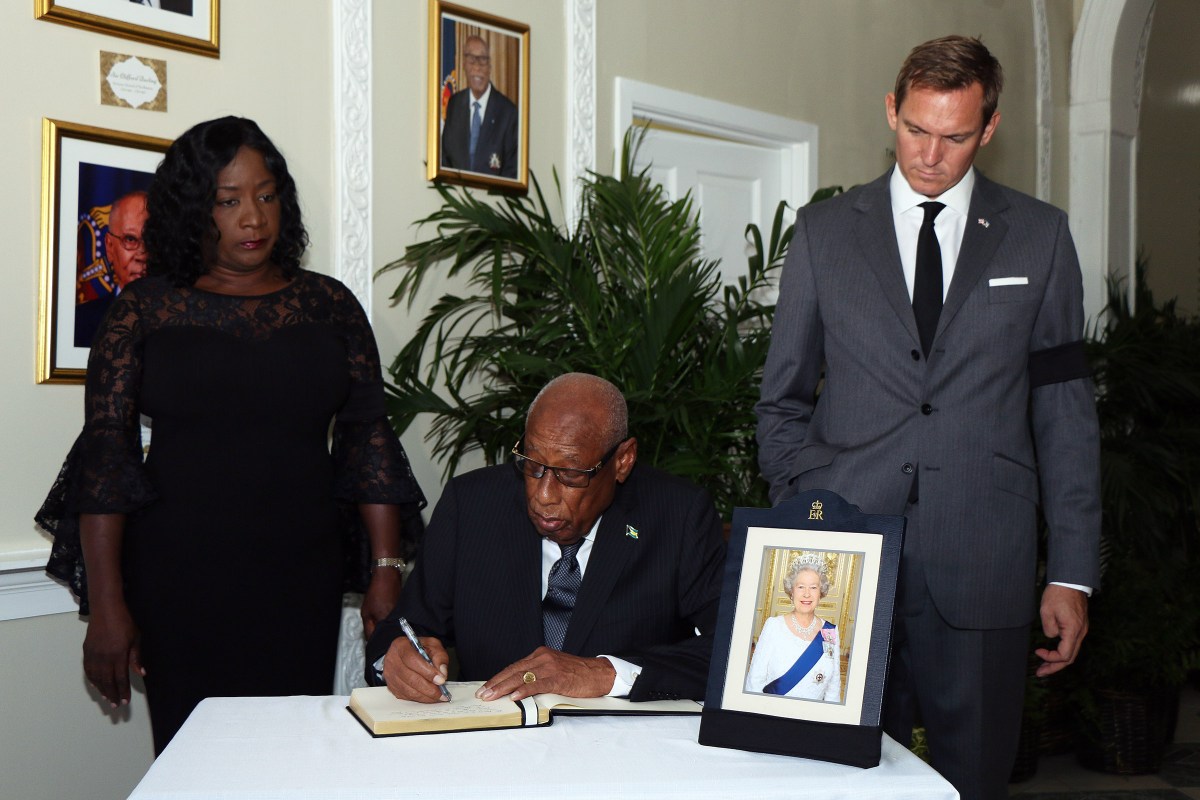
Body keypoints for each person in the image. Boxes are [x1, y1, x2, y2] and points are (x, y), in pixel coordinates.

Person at [754, 36, 1100, 800]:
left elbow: (1065, 411)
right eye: (916, 130)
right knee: (834, 779)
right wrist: (809, 505)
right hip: (844, 561)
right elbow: (780, 399)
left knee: (973, 777)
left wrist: (1071, 570)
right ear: (892, 110)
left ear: (989, 128)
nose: (930, 155)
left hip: (984, 559)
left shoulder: (1039, 236)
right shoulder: (824, 234)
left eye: (953, 136)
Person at [36, 116, 426, 754]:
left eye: (266, 195)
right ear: (194, 209)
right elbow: (106, 462)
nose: (253, 217)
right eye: (228, 200)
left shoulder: (330, 307)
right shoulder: (143, 311)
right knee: (195, 757)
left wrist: (386, 569)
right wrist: (107, 606)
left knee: (289, 753)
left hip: (302, 573)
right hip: (178, 579)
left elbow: (367, 444)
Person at [366, 372, 725, 703]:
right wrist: (395, 660)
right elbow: (403, 630)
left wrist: (607, 673)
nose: (544, 495)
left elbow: (735, 651)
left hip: (622, 748)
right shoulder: (472, 506)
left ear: (622, 461)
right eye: (533, 466)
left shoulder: (678, 516)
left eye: (570, 474)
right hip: (494, 743)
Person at [744, 555, 841, 702]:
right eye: (800, 587)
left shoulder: (829, 632)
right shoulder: (774, 626)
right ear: (792, 591)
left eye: (813, 587)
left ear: (821, 593)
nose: (807, 594)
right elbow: (754, 681)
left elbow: (833, 685)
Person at [74, 190, 150, 347]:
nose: (142, 255)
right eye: (130, 239)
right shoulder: (82, 320)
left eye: (151, 240)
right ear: (109, 247)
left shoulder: (178, 323)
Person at [440, 34, 519, 178]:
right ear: (463, 65)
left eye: (483, 60)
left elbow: (512, 172)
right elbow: (445, 159)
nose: (477, 67)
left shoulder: (508, 113)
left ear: (490, 67)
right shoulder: (454, 105)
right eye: (471, 59)